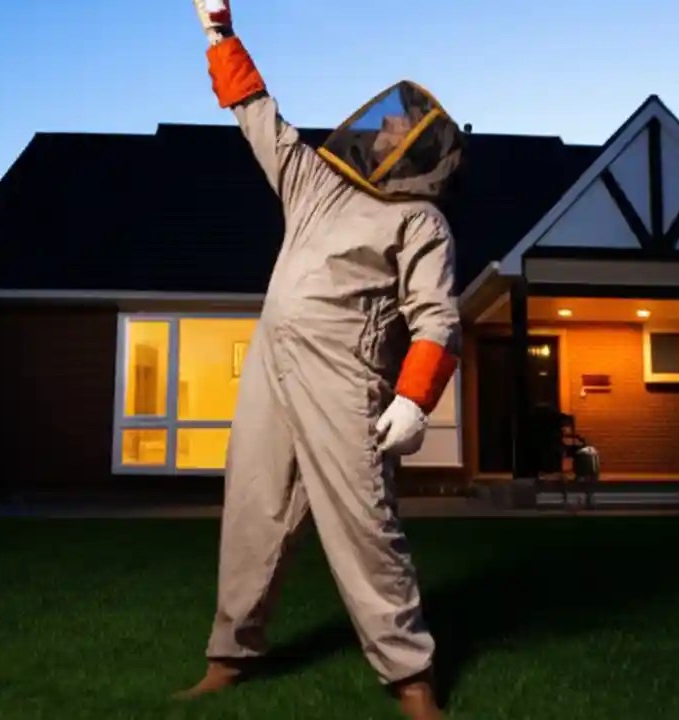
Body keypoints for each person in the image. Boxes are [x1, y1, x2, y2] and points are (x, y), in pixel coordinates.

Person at [173, 2, 466, 718]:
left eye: (400, 131)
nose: (387, 132)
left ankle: (412, 678)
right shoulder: (314, 181)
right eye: (387, 124)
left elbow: (438, 317)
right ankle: (228, 657)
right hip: (271, 367)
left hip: (346, 377)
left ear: (420, 153)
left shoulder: (421, 220)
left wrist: (412, 399)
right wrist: (220, 32)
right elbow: (256, 112)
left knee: (365, 523)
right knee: (252, 509)